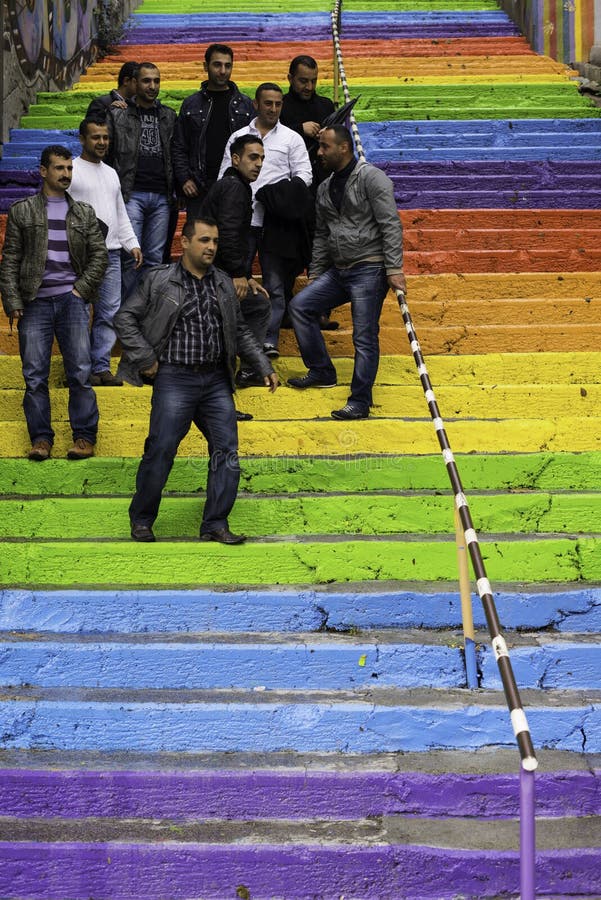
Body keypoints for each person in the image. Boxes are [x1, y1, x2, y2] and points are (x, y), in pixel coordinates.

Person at [114, 217, 278, 545]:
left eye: (215, 241)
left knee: (227, 451)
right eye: (204, 240)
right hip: (174, 377)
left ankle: (215, 524)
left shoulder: (222, 283)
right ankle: (143, 519)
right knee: (161, 450)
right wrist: (146, 359)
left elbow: (241, 330)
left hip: (216, 380)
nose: (211, 247)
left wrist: (261, 363)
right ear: (185, 243)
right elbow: (125, 317)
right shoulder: (159, 280)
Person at [287, 126, 406, 421]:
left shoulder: (371, 178)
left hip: (370, 267)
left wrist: (393, 269)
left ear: (343, 148)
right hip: (339, 270)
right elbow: (322, 235)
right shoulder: (325, 187)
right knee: (300, 306)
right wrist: (315, 274)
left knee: (364, 336)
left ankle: (360, 401)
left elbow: (390, 224)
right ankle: (322, 370)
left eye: (325, 147)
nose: (319, 152)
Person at [0, 145, 108, 460]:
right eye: (59, 168)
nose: (65, 174)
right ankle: (41, 440)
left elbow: (99, 256)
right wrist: (13, 299)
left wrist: (80, 291)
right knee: (34, 375)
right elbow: (10, 260)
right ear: (44, 171)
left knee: (80, 373)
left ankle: (84, 438)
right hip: (35, 303)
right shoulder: (23, 210)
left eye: (69, 169)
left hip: (72, 301)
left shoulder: (84, 212)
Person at [219, 83, 312, 358]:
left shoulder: (292, 138)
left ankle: (268, 341)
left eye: (278, 104)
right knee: (236, 284)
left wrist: (277, 194)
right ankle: (238, 340)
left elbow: (305, 175)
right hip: (242, 223)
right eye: (268, 103)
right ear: (256, 104)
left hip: (276, 223)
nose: (273, 109)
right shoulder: (238, 136)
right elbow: (224, 173)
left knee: (275, 286)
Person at [69, 116, 143, 386]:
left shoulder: (111, 173)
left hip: (111, 255)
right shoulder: (71, 171)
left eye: (105, 137)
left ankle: (100, 368)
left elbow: (119, 213)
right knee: (76, 314)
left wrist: (132, 243)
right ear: (82, 139)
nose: (101, 142)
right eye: (95, 137)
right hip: (78, 255)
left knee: (109, 313)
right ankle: (78, 370)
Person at [201, 134, 270, 395]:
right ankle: (231, 384)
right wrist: (238, 274)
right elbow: (228, 233)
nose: (259, 163)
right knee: (235, 320)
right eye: (253, 157)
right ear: (236, 159)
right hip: (216, 274)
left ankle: (248, 371)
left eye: (262, 158)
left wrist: (247, 275)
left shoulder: (236, 185)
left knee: (258, 303)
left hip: (221, 271)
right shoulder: (233, 187)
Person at [107, 62, 177, 297]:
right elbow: (106, 154)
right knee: (130, 256)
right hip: (131, 194)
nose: (152, 86)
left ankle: (148, 314)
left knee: (155, 259)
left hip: (161, 196)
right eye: (146, 80)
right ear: (135, 83)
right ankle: (127, 315)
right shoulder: (118, 114)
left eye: (156, 81)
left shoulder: (168, 115)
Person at [280, 54, 338, 332]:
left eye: (313, 81)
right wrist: (298, 130)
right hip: (290, 195)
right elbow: (268, 135)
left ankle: (321, 312)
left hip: (323, 192)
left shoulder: (325, 105)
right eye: (303, 81)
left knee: (325, 254)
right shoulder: (281, 106)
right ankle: (287, 313)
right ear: (290, 78)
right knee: (290, 255)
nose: (308, 86)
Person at [172, 43, 254, 219]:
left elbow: (254, 146)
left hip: (235, 183)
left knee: (231, 241)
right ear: (205, 66)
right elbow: (179, 145)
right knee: (200, 241)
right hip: (200, 185)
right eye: (217, 64)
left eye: (228, 65)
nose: (223, 71)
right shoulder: (191, 104)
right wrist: (184, 179)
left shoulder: (245, 105)